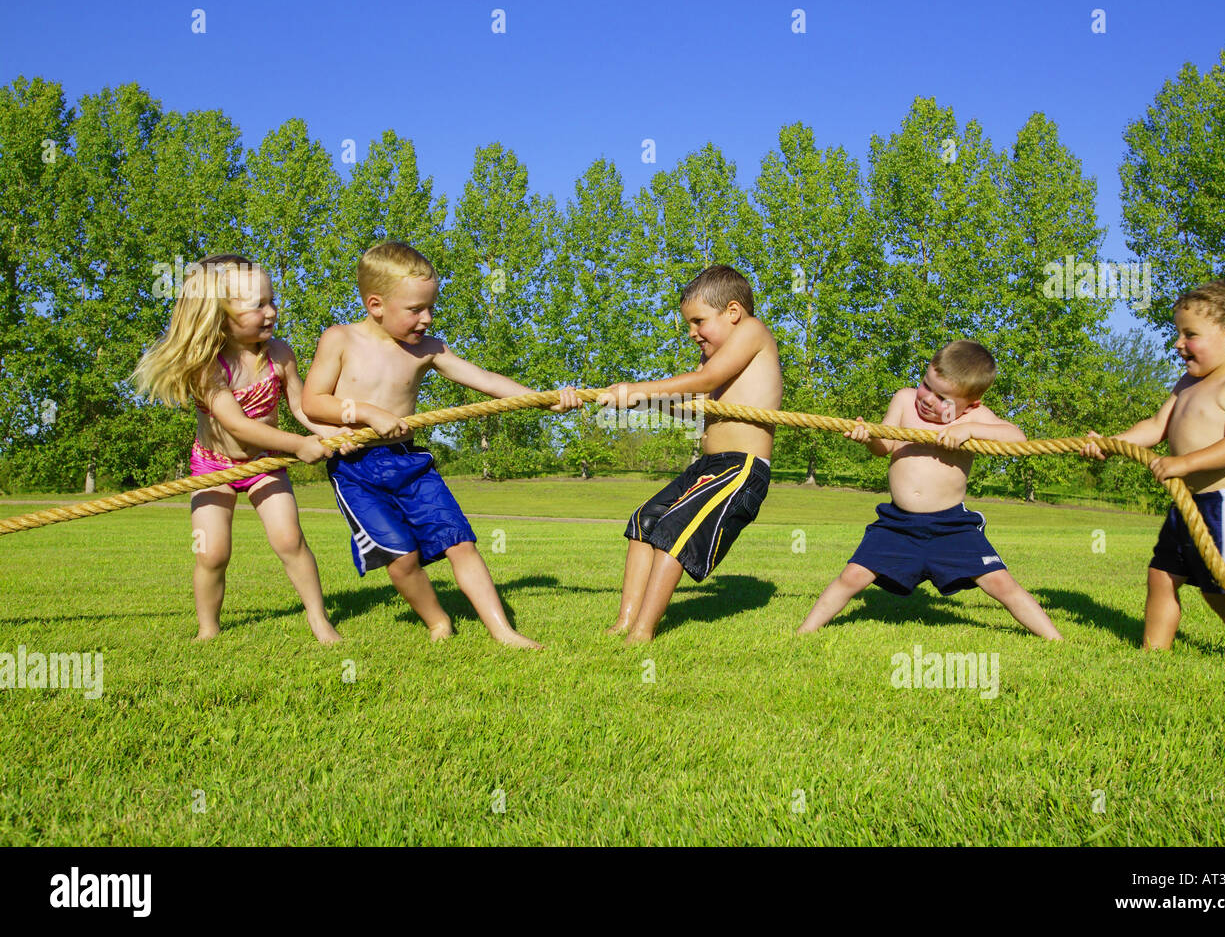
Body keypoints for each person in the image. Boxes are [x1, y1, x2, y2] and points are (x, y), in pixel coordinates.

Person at [301, 241, 578, 649]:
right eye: (415, 310)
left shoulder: (428, 349)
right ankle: (437, 621)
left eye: (430, 307)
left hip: (408, 462)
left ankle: (504, 631)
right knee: (401, 559)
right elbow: (313, 402)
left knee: (459, 541)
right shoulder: (340, 340)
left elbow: (484, 380)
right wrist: (366, 413)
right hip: (356, 469)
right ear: (376, 305)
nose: (426, 318)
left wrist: (543, 398)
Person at [133, 255, 351, 643]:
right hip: (214, 466)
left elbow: (300, 407)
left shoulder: (279, 354)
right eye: (257, 305)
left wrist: (330, 433)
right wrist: (300, 446)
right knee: (211, 553)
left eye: (272, 301)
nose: (271, 312)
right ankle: (208, 629)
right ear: (219, 314)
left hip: (264, 463)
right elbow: (236, 424)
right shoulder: (207, 367)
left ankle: (319, 620)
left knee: (290, 540)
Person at [798, 340, 1062, 639]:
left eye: (943, 398)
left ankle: (1055, 639)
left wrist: (969, 430)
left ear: (970, 403)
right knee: (853, 575)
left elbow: (1018, 440)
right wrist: (868, 437)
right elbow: (883, 447)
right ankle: (804, 632)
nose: (928, 400)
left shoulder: (972, 418)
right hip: (897, 524)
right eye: (927, 385)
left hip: (951, 527)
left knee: (1001, 584)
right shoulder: (904, 400)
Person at [1081, 279, 1225, 663]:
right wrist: (1111, 442)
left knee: (1223, 592)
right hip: (1186, 504)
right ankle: (1154, 656)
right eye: (1177, 333)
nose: (1178, 343)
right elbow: (1155, 426)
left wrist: (1184, 463)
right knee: (1161, 575)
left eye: (1190, 334)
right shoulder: (1187, 384)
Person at [603, 264, 783, 643]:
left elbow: (706, 382)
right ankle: (623, 622)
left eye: (698, 321)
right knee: (644, 522)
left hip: (742, 468)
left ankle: (642, 633)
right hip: (709, 464)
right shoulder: (714, 355)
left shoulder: (752, 331)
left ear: (733, 312)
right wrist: (639, 402)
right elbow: (695, 402)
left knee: (674, 533)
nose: (691, 333)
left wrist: (639, 387)